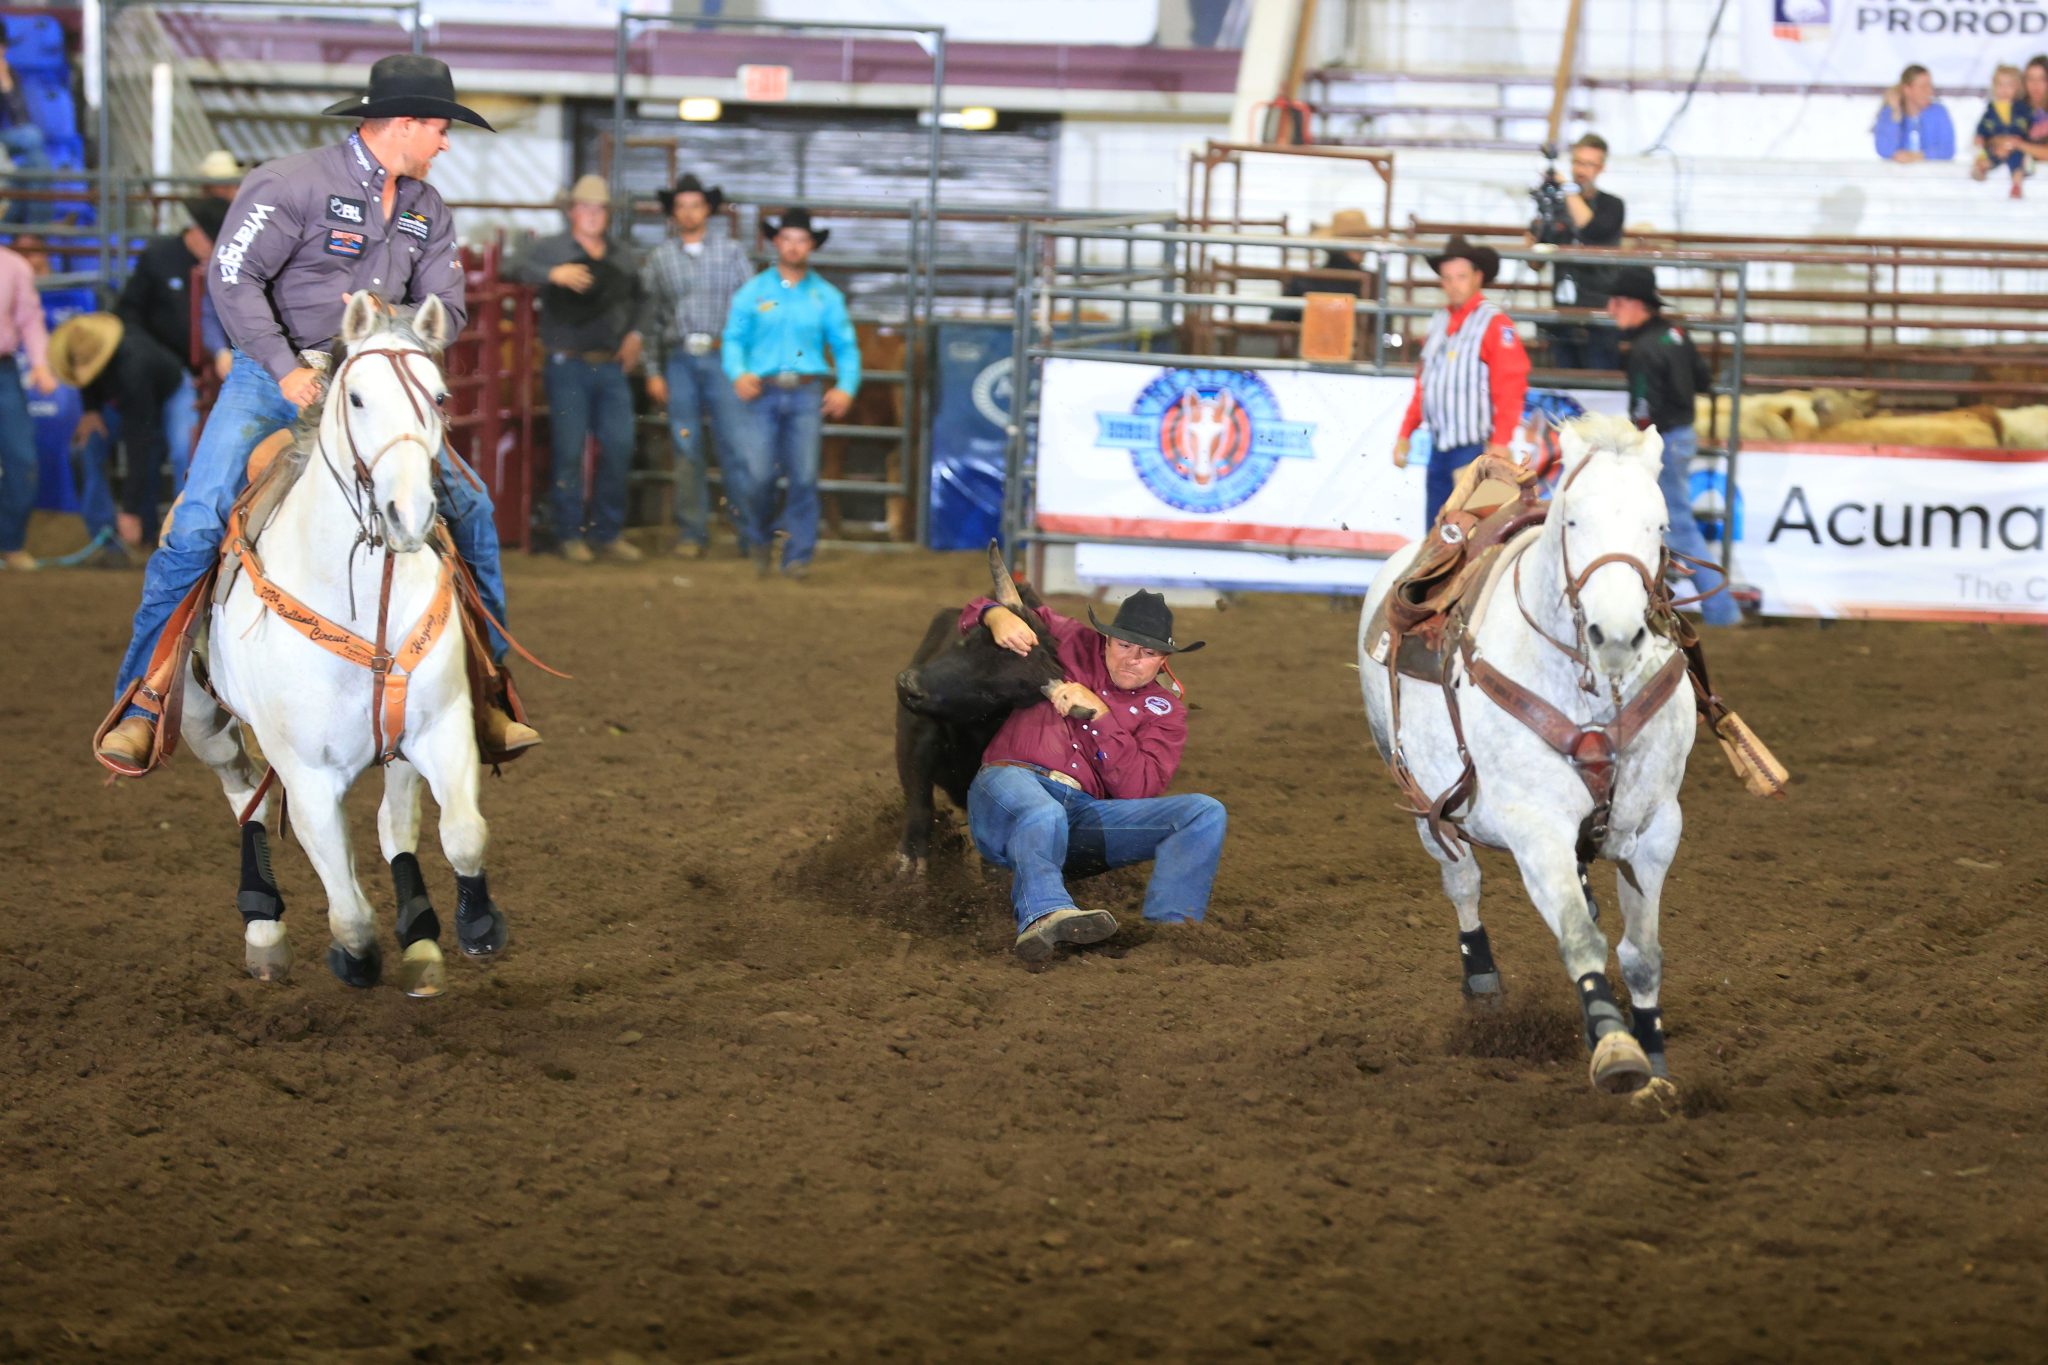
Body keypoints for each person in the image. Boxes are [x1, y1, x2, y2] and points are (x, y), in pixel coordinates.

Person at [96, 53, 539, 770]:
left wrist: (389, 324)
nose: (446, 144)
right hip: (274, 373)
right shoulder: (288, 184)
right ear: (404, 125)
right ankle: (140, 703)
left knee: (472, 507)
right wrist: (284, 367)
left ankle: (487, 690)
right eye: (439, 129)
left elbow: (448, 307)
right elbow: (234, 277)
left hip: (375, 375)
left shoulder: (429, 210)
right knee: (200, 518)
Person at [961, 587, 1226, 963]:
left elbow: (1138, 788)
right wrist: (993, 615)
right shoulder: (1071, 639)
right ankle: (1044, 913)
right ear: (1105, 640)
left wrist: (1101, 716)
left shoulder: (1166, 712)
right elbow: (982, 607)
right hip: (1008, 783)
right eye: (1124, 645)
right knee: (1044, 811)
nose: (1133, 660)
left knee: (1205, 812)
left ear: (1164, 660)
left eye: (1148, 652)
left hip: (1080, 817)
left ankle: (1173, 935)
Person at [507, 173, 644, 563]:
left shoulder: (621, 254)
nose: (592, 214)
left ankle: (606, 532)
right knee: (569, 450)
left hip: (610, 363)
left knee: (619, 447)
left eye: (599, 208)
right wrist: (551, 273)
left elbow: (641, 299)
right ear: (572, 212)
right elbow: (511, 265)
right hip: (567, 363)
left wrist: (635, 334)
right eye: (585, 207)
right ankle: (570, 533)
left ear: (607, 214)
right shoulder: (551, 249)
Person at [721, 208, 859, 580]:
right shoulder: (753, 291)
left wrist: (846, 387)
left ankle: (797, 555)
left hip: (805, 391)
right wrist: (738, 372)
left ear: (810, 245)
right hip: (761, 391)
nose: (794, 246)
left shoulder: (825, 296)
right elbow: (733, 339)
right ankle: (759, 539)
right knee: (759, 476)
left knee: (803, 475)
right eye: (788, 239)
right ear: (776, 242)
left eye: (801, 240)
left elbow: (846, 346)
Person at [1605, 265, 1741, 628]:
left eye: (1616, 302)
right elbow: (1701, 379)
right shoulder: (1675, 334)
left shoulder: (1642, 350)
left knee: (1677, 527)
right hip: (1682, 434)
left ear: (1634, 304)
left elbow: (1643, 410)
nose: (1610, 309)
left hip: (1661, 442)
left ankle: (1721, 609)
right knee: (1671, 523)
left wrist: (1637, 440)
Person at [640, 172, 754, 559]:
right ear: (674, 213)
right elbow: (652, 318)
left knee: (735, 446)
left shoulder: (732, 253)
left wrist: (747, 364)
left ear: (707, 210)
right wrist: (654, 370)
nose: (689, 212)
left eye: (696, 205)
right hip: (681, 359)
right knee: (687, 447)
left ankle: (748, 534)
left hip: (725, 357)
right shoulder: (660, 259)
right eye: (682, 206)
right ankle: (693, 533)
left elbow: (750, 311)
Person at [1393, 236, 1531, 526]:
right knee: (1437, 529)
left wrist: (1501, 441)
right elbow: (1425, 384)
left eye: (1461, 277)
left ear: (1477, 278)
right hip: (1440, 446)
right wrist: (1406, 431)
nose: (1453, 284)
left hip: (1473, 448)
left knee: (1468, 531)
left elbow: (1511, 385)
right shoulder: (1439, 321)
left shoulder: (1495, 323)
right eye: (1447, 278)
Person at [114, 196, 229, 519]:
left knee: (185, 448)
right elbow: (130, 313)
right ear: (198, 233)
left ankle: (183, 528)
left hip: (201, 375)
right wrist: (153, 359)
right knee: (175, 446)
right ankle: (169, 526)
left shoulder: (222, 269)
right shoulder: (159, 257)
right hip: (160, 373)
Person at [51, 312, 187, 551]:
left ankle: (182, 538)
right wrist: (91, 410)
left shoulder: (133, 365)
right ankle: (106, 540)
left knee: (182, 452)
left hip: (172, 393)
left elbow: (139, 443)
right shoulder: (90, 347)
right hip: (125, 400)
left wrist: (130, 511)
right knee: (84, 448)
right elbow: (87, 378)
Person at [1528, 133, 1624, 370]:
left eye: (1589, 164)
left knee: (1598, 392)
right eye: (1578, 162)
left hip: (1599, 317)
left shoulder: (1612, 205)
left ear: (1601, 168)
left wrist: (1566, 190)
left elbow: (1591, 228)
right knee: (1565, 390)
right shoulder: (1560, 206)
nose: (1581, 170)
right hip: (1562, 316)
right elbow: (1535, 263)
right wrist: (1537, 231)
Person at [0, 242, 56, 569]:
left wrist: (40, 364)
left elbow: (30, 319)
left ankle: (9, 542)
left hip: (4, 370)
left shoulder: (15, 266)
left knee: (22, 460)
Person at [1273, 208, 1375, 331]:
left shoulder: (1304, 279)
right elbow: (1381, 327)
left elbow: (1278, 321)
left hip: (1307, 347)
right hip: (1357, 347)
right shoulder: (1373, 282)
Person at [0, 41, 52, 226]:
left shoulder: (8, 73)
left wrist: (6, 84)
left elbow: (20, 120)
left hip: (3, 140)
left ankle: (36, 232)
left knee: (37, 157)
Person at [1875, 65, 1957, 163]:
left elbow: (1947, 150)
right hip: (1898, 176)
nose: (1929, 91)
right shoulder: (1889, 113)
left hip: (1932, 175)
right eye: (1923, 87)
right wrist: (1895, 113)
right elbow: (1885, 150)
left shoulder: (1938, 112)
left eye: (1930, 86)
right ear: (1907, 90)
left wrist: (1918, 156)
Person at [1971, 64, 2031, 198]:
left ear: (2017, 88)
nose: (2004, 89)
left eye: (2009, 85)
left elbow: (2025, 129)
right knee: (1989, 156)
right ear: (1994, 87)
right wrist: (1980, 135)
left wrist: (2011, 143)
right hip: (1996, 147)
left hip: (2015, 147)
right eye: (2000, 85)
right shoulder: (1991, 109)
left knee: (2018, 162)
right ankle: (1981, 169)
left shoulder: (2022, 109)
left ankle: (2016, 184)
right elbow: (1984, 126)